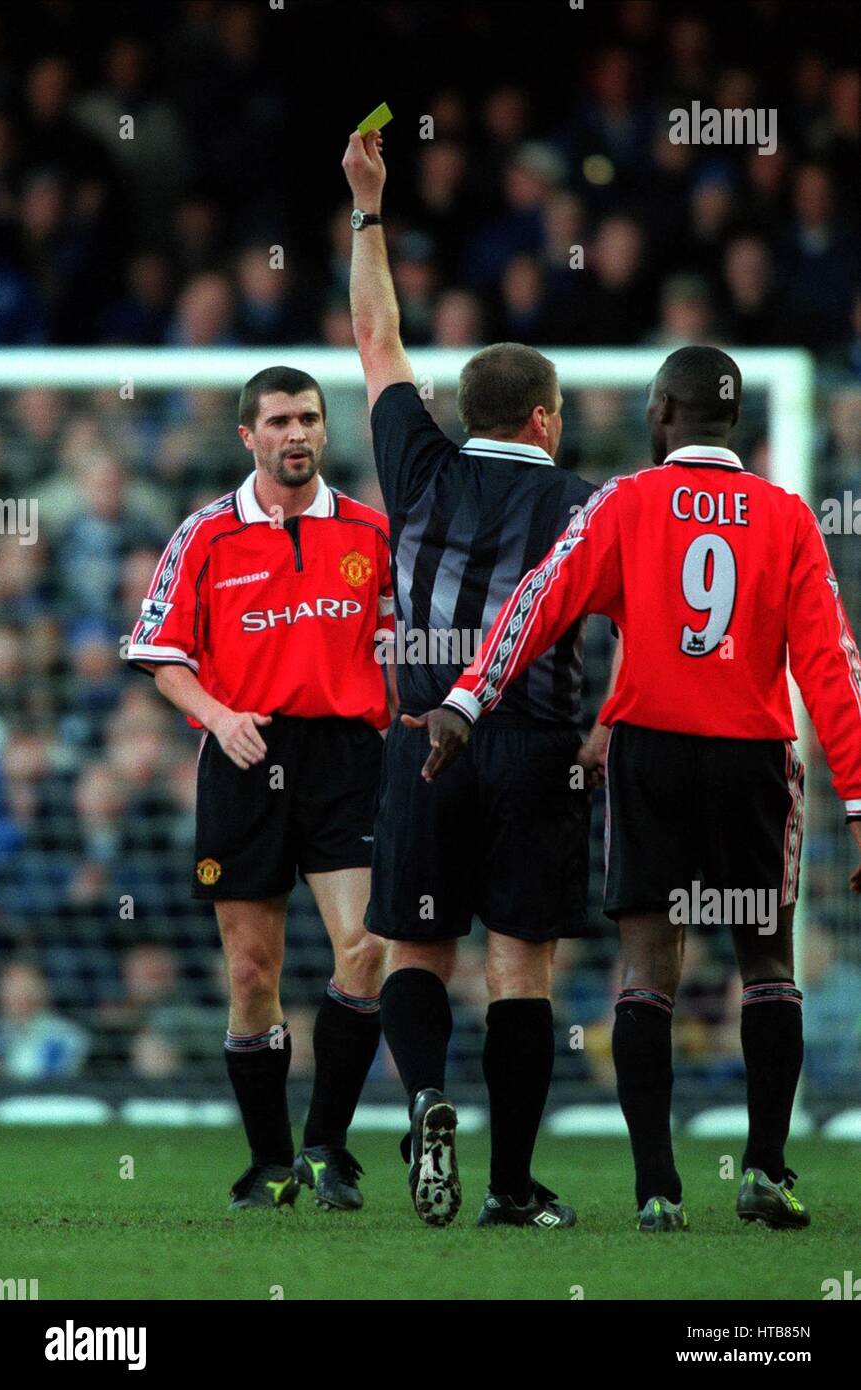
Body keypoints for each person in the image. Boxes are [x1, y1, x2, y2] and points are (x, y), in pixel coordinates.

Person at [420, 344, 861, 1233]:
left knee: (648, 971)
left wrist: (468, 695)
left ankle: (657, 1188)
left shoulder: (625, 501)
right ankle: (767, 1172)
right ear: (733, 421)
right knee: (766, 965)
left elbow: (542, 597)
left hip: (651, 754)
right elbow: (831, 669)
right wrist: (860, 801)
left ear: (662, 413)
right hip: (751, 754)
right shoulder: (786, 518)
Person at [343, 128, 611, 1229]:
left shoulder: (417, 462)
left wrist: (367, 207)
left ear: (467, 412)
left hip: (420, 736)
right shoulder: (585, 502)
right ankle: (508, 1183)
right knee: (518, 965)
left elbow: (374, 334)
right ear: (543, 417)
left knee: (414, 943)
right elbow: (638, 615)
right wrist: (605, 725)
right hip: (539, 745)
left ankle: (424, 1101)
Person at [128, 365, 394, 1212]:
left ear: (324, 429)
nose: (297, 435)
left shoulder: (370, 532)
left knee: (366, 950)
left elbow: (408, 643)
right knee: (251, 972)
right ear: (248, 435)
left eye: (309, 419)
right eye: (278, 421)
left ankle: (327, 1145)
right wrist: (217, 712)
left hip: (346, 759)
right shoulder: (206, 535)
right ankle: (269, 1161)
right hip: (243, 756)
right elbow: (159, 650)